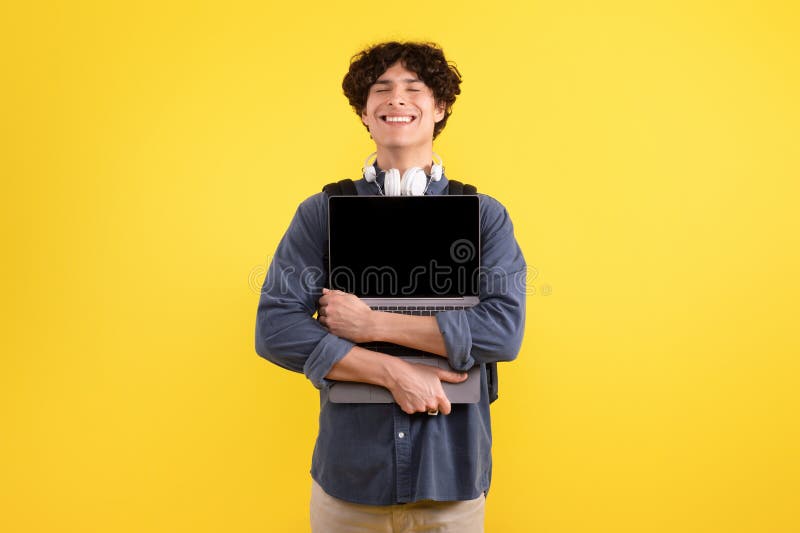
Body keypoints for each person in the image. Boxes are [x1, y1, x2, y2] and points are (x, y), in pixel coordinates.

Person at [255, 41, 526, 532]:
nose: (396, 100)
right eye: (381, 90)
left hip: (452, 480)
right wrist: (390, 372)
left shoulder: (484, 216)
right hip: (350, 482)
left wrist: (372, 323)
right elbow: (275, 328)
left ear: (439, 107)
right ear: (364, 111)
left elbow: (502, 332)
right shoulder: (322, 213)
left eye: (413, 89)